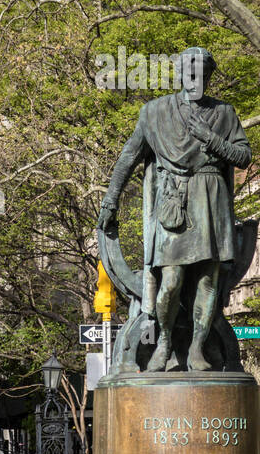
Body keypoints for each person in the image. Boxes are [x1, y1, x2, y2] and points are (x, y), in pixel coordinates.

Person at [98, 46, 251, 372]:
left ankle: (197, 347)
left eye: (202, 74)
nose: (195, 79)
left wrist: (211, 139)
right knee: (171, 279)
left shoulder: (224, 114)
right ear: (180, 74)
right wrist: (111, 199)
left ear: (208, 77)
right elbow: (129, 156)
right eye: (189, 72)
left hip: (211, 201)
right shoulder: (155, 112)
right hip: (175, 203)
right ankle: (165, 341)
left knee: (208, 282)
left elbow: (243, 156)